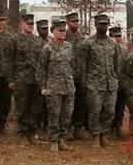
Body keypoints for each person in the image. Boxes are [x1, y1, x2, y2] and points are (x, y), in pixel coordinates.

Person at [37, 18, 75, 151]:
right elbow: (41, 69)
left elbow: (72, 65)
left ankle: (62, 139)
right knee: (54, 115)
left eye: (64, 30)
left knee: (66, 115)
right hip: (53, 88)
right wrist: (43, 86)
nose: (63, 33)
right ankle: (53, 140)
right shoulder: (47, 48)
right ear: (53, 31)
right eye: (60, 30)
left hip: (68, 87)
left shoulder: (68, 47)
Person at [83, 12, 120, 147]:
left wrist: (116, 79)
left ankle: (104, 135)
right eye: (101, 24)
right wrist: (85, 83)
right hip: (94, 84)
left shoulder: (112, 43)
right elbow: (83, 65)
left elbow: (117, 64)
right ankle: (95, 136)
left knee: (109, 111)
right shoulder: (88, 43)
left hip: (111, 84)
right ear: (96, 24)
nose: (104, 26)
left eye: (106, 24)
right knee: (95, 111)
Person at [12, 12, 43, 143]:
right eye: (28, 24)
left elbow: (42, 60)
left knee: (35, 107)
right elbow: (10, 60)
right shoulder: (15, 40)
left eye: (32, 24)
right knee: (22, 107)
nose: (31, 26)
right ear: (22, 24)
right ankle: (23, 133)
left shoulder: (38, 41)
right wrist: (10, 79)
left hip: (35, 79)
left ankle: (32, 132)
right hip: (21, 78)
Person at [64, 11, 88, 140]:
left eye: (77, 21)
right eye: (73, 21)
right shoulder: (63, 38)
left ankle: (78, 128)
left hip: (81, 76)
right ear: (68, 22)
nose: (75, 23)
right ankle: (67, 129)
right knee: (67, 104)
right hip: (67, 77)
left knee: (81, 103)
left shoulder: (83, 39)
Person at [110, 24, 128, 137]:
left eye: (119, 36)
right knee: (110, 107)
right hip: (110, 82)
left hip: (122, 82)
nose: (118, 38)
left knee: (120, 107)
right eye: (115, 36)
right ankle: (108, 128)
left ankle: (118, 127)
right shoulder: (108, 49)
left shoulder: (124, 49)